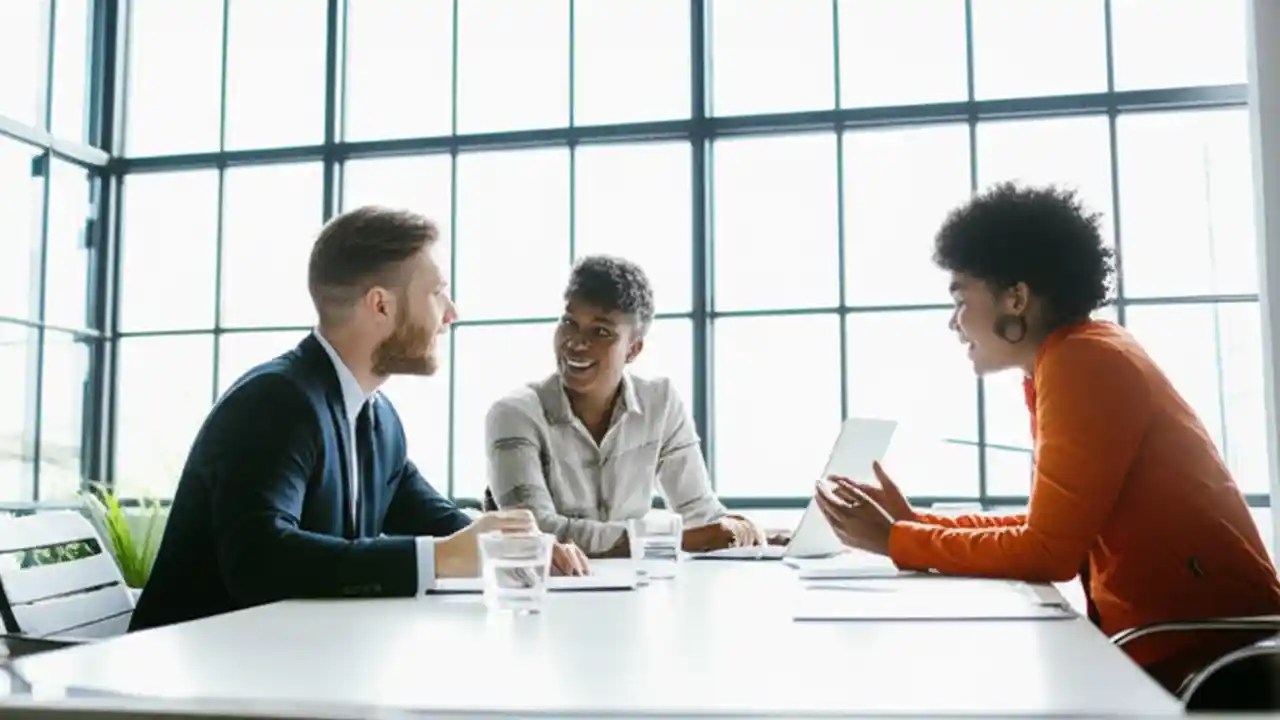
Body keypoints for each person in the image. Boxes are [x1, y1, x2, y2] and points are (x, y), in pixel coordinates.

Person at [815, 182, 1280, 693]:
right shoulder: (1081, 352)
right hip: (1187, 642)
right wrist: (913, 524)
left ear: (1016, 297)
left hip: (1209, 655)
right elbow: (1050, 529)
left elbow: (1046, 552)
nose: (953, 323)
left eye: (961, 299)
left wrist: (897, 540)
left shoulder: (1082, 362)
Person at [132, 206, 588, 631]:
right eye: (437, 293)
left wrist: (518, 543)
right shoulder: (275, 402)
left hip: (287, 660)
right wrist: (442, 557)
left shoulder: (376, 417)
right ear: (380, 305)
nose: (451, 313)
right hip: (193, 674)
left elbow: (431, 516)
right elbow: (258, 561)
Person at [484, 255, 768, 557]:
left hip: (634, 582)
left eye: (601, 332)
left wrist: (748, 532)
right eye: (570, 323)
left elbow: (700, 513)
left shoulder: (660, 403)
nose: (576, 343)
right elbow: (534, 532)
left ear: (633, 349)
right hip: (547, 584)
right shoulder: (514, 414)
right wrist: (675, 541)